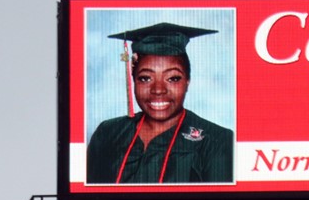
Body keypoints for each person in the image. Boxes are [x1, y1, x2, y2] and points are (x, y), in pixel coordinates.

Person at [86, 22, 234, 184]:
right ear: (133, 80)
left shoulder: (215, 140)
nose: (158, 90)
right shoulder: (108, 133)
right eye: (145, 78)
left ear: (187, 82)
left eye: (173, 78)